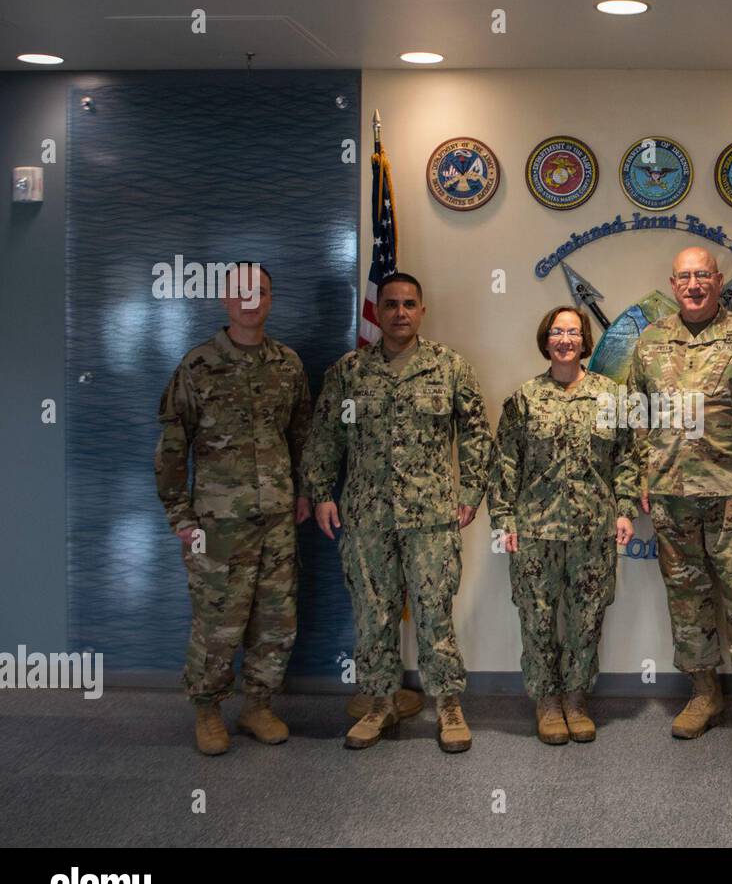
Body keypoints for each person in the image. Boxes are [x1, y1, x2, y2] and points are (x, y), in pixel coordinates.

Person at [301, 271, 492, 752]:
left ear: (422, 311)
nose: (400, 312)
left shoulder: (448, 367)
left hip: (430, 517)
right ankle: (379, 703)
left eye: (409, 304)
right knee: (373, 616)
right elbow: (325, 435)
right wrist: (322, 491)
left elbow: (475, 433)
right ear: (377, 311)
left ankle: (448, 706)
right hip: (365, 518)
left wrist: (470, 492)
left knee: (434, 615)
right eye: (390, 304)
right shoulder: (349, 371)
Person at [627, 246, 732, 754]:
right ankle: (704, 692)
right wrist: (644, 471)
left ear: (719, 280)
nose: (694, 284)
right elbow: (638, 415)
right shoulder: (651, 342)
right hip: (671, 497)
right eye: (685, 277)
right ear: (672, 282)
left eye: (703, 275)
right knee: (687, 599)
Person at [154, 263, 313, 755]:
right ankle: (208, 710)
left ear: (270, 299)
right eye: (241, 292)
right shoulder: (197, 365)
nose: (251, 300)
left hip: (278, 520)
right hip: (217, 524)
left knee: (277, 620)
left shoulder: (288, 364)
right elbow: (171, 447)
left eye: (260, 291)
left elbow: (303, 436)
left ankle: (257, 706)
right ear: (226, 300)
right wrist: (180, 514)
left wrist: (305, 492)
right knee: (218, 622)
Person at [489, 307, 638, 744]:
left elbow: (627, 459)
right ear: (546, 339)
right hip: (535, 532)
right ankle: (547, 701)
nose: (565, 339)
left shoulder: (611, 397)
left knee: (586, 620)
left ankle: (575, 698)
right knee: (537, 619)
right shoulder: (525, 399)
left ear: (584, 339)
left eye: (573, 332)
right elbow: (505, 465)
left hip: (594, 531)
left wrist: (626, 507)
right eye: (557, 332)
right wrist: (503, 520)